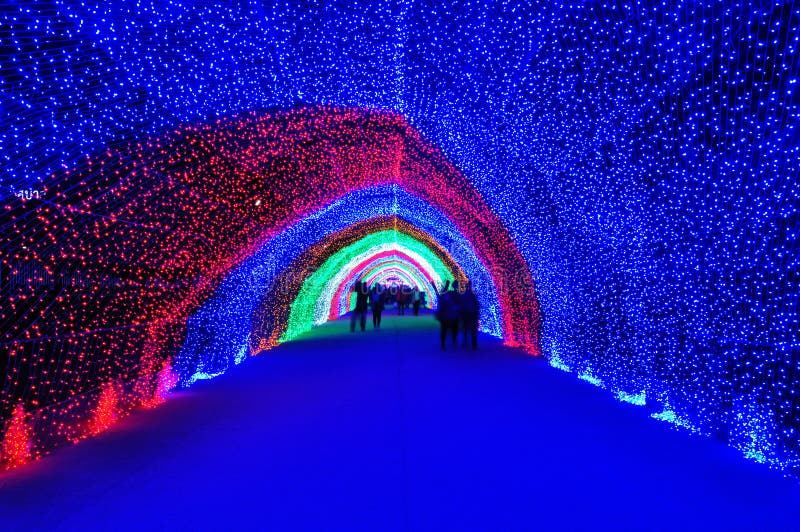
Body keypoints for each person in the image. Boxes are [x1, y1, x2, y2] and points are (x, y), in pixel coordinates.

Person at [435, 280, 459, 349]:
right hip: (446, 314)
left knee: (451, 328)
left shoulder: (453, 293)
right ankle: (444, 343)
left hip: (452, 314)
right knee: (445, 328)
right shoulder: (448, 293)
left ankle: (451, 340)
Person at [460, 280, 480, 349]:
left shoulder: (467, 295)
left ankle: (469, 343)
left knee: (468, 329)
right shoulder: (472, 296)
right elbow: (477, 305)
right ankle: (472, 344)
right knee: (470, 329)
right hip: (469, 314)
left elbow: (477, 305)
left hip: (469, 314)